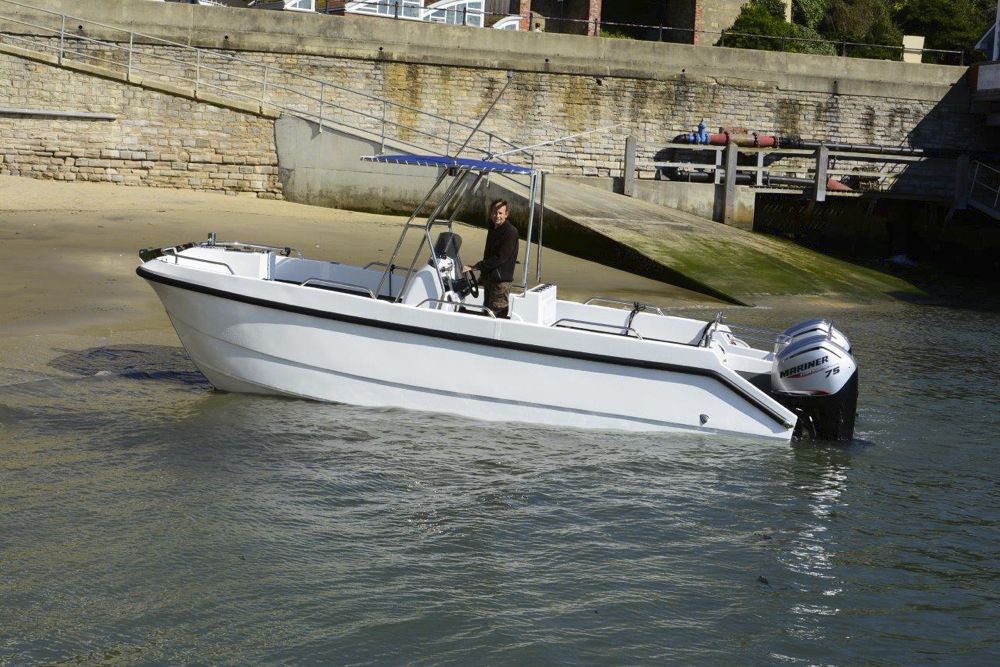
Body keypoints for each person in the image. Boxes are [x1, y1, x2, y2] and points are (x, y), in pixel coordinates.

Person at [464, 199, 518, 318]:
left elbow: (500, 257)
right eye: (494, 212)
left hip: (500, 282)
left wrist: (476, 266)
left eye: (500, 213)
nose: (497, 216)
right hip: (490, 278)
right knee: (486, 310)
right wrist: (483, 275)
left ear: (506, 214)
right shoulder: (493, 228)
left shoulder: (510, 232)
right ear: (490, 213)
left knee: (496, 313)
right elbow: (488, 253)